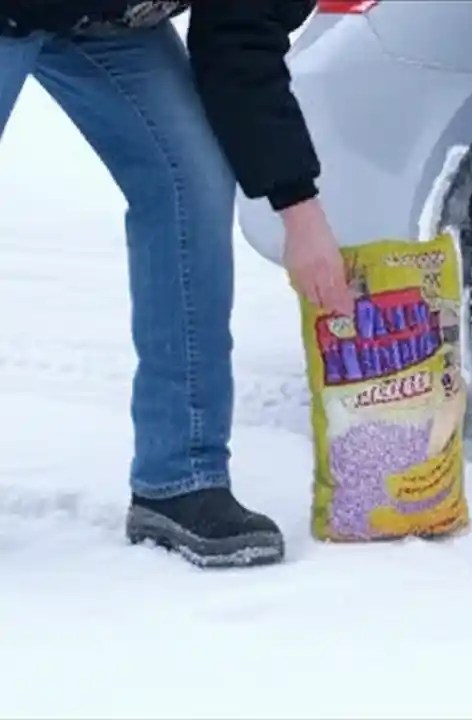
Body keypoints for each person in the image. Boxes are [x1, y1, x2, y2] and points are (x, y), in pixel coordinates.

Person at [0, 0, 356, 568]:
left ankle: (182, 478)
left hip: (104, 22)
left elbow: (239, 43)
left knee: (188, 182)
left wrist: (299, 209)